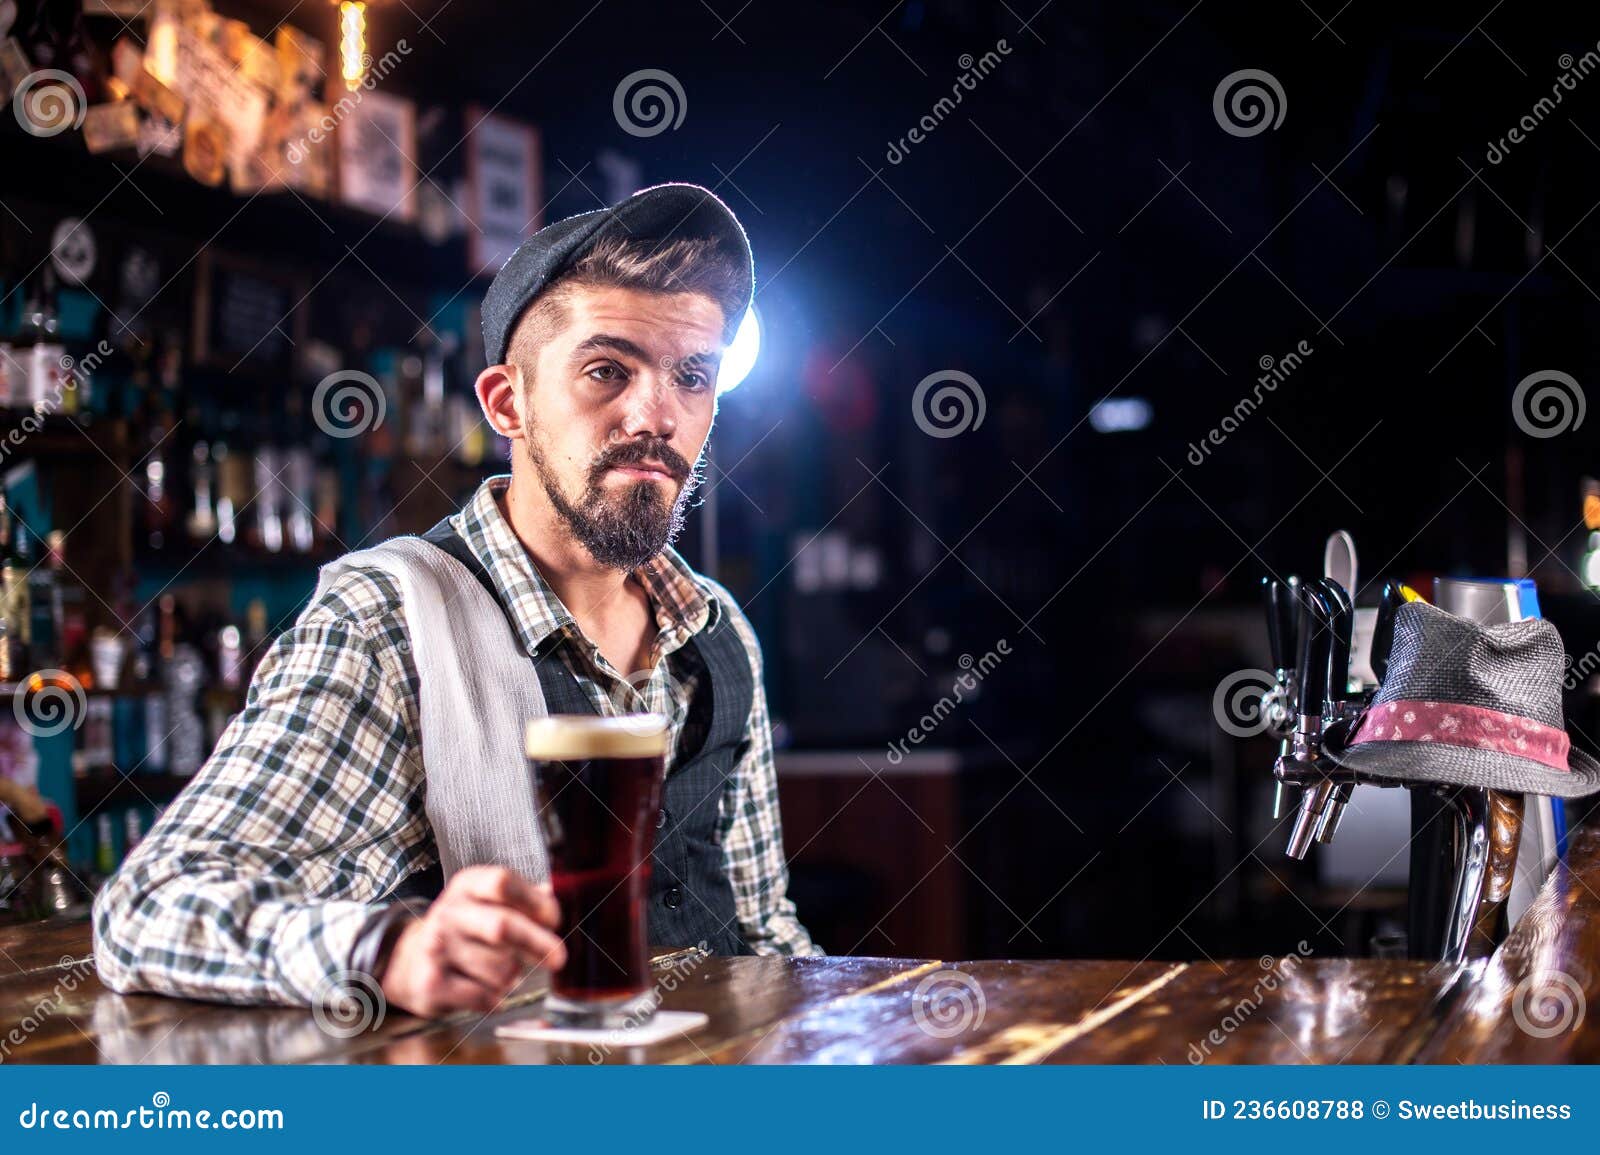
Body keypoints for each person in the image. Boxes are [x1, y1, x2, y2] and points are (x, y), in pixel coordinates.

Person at [93, 183, 819, 1017]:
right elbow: (149, 908)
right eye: (606, 370)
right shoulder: (388, 620)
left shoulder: (719, 631)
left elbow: (767, 940)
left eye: (693, 376)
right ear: (507, 403)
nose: (657, 414)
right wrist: (384, 948)